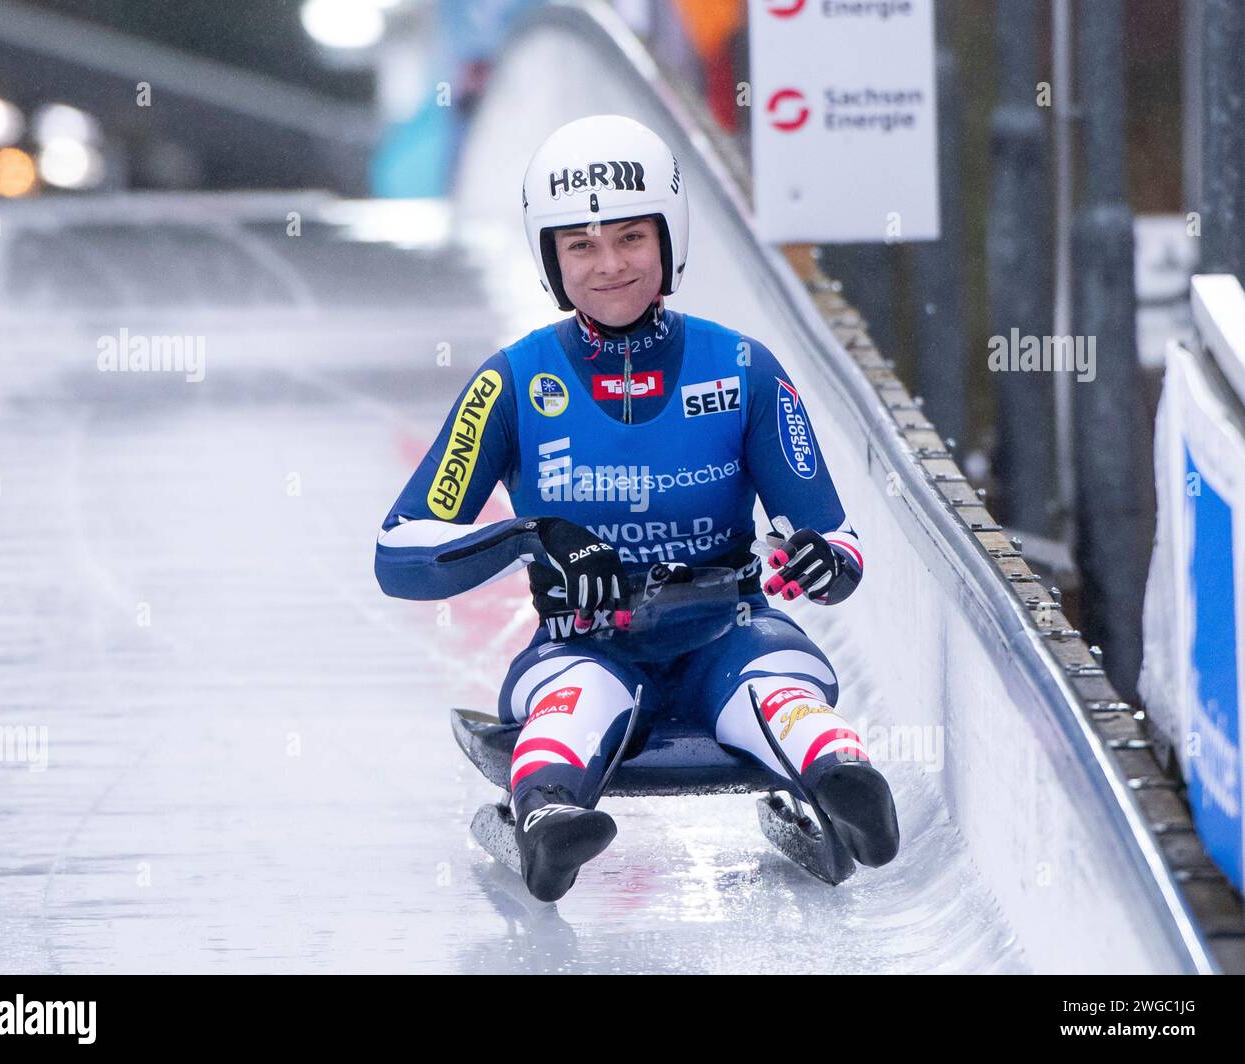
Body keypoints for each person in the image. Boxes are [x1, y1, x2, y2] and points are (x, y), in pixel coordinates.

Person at [374, 114, 899, 902]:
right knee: (575, 695)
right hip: (587, 646)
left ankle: (845, 780)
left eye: (629, 238)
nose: (609, 265)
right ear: (551, 259)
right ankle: (552, 820)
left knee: (775, 681)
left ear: (668, 239)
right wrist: (532, 537)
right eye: (581, 246)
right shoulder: (512, 384)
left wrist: (824, 561)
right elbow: (400, 553)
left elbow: (832, 539)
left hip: (727, 637)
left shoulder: (744, 370)